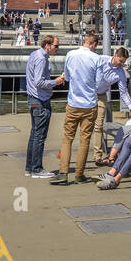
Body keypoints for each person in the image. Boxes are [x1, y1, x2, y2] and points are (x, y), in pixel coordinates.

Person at [51, 32, 100, 184]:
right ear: (94, 45)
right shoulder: (96, 58)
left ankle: (63, 173)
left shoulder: (70, 54)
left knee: (67, 139)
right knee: (84, 140)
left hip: (73, 103)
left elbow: (67, 77)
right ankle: (79, 175)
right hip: (90, 105)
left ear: (84, 41)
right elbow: (97, 82)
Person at [24, 34, 66, 177]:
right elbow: (39, 82)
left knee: (34, 134)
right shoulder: (42, 59)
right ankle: (36, 169)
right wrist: (57, 82)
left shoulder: (34, 54)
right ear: (47, 46)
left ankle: (30, 168)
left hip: (33, 99)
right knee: (39, 136)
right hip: (40, 100)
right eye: (56, 46)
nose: (57, 49)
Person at [92, 46, 131, 166]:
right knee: (84, 123)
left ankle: (97, 156)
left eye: (124, 62)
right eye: (121, 61)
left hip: (101, 95)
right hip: (87, 93)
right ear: (115, 55)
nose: (122, 64)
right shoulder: (100, 60)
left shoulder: (120, 72)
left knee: (99, 124)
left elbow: (124, 92)